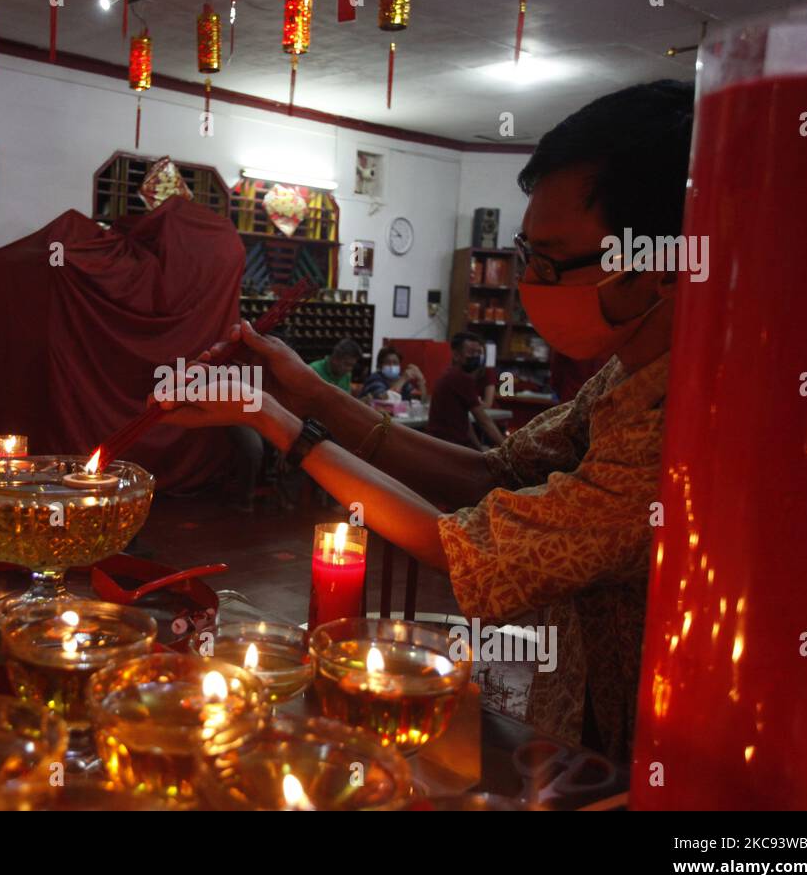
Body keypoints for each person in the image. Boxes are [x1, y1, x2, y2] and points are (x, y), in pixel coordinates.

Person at [161, 80, 693, 761]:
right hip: (580, 719)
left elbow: (460, 547)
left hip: (657, 749)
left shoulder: (678, 422)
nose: (530, 285)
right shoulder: (625, 377)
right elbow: (487, 474)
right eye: (526, 255)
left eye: (553, 262)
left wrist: (278, 423)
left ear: (664, 262)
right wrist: (304, 389)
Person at [424, 332, 506, 449]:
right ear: (456, 355)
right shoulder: (460, 378)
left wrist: (479, 448)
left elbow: (465, 422)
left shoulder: (450, 374)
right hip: (448, 445)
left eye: (479, 352)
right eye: (471, 352)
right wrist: (507, 448)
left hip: (441, 443)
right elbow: (484, 421)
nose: (476, 356)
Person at [360, 347, 424, 403]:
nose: (391, 366)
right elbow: (385, 400)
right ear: (380, 365)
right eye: (387, 362)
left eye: (395, 363)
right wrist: (403, 379)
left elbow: (421, 400)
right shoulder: (375, 378)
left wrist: (420, 380)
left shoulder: (401, 380)